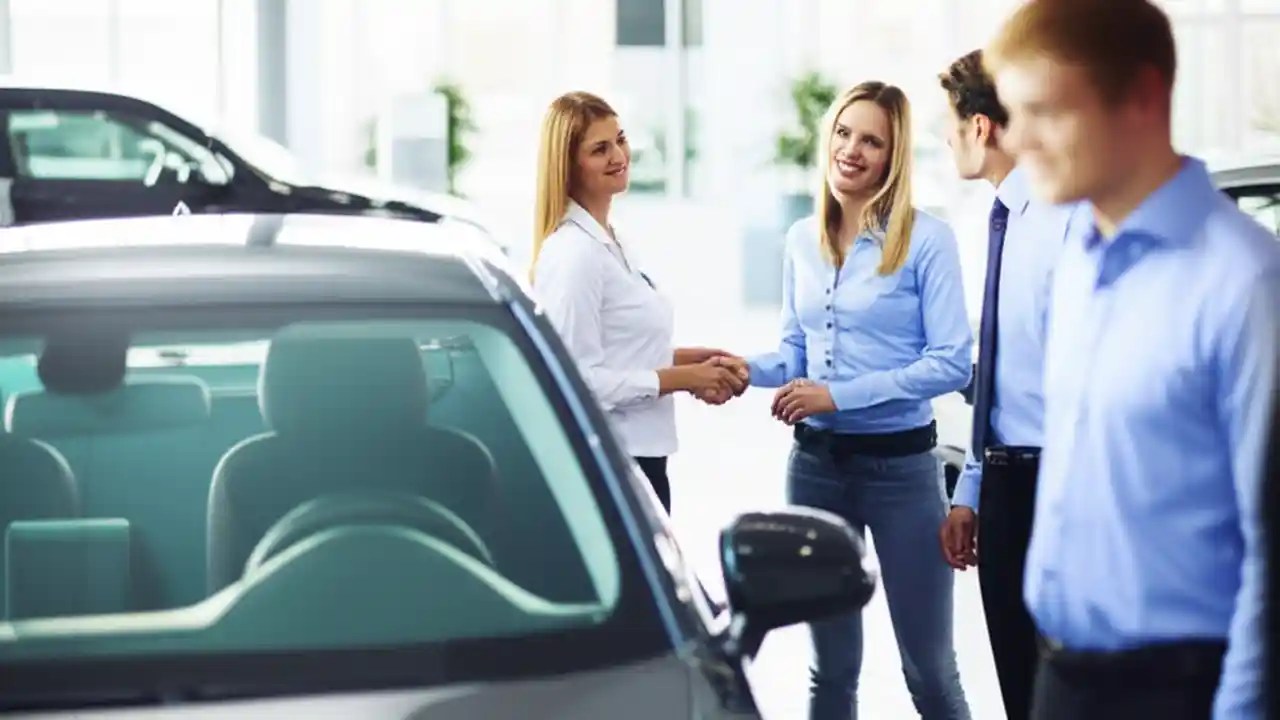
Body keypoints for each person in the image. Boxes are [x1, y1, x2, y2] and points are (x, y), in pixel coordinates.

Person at [984, 1, 1280, 718]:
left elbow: (1273, 552)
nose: (1014, 139)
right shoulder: (1082, 258)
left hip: (1179, 688)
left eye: (1042, 111)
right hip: (1061, 675)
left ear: (1143, 96)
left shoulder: (1244, 281)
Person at [742, 80, 973, 720]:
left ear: (893, 157)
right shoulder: (801, 238)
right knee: (831, 673)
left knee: (929, 672)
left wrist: (836, 396)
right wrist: (737, 369)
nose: (852, 150)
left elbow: (951, 362)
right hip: (816, 470)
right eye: (844, 133)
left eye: (872, 141)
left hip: (902, 473)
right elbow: (795, 354)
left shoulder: (927, 240)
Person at [935, 49, 1078, 720]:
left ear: (980, 127)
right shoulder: (1000, 218)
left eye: (950, 123)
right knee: (1019, 690)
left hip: (1060, 488)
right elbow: (1003, 376)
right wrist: (973, 487)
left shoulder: (1064, 220)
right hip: (1006, 487)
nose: (946, 139)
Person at [529, 91, 747, 514]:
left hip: (642, 458)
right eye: (600, 149)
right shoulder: (575, 255)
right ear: (568, 165)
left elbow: (619, 350)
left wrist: (695, 362)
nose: (619, 155)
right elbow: (578, 381)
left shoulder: (613, 240)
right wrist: (684, 378)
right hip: (612, 462)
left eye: (621, 139)